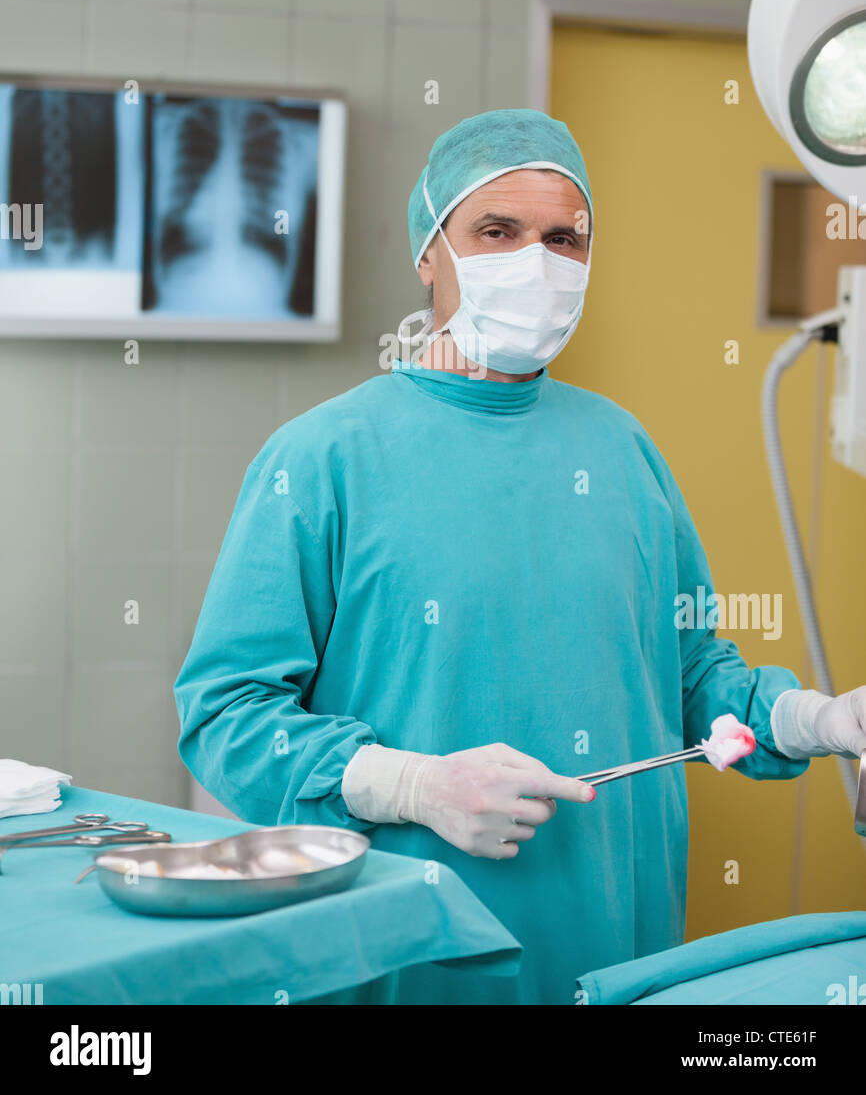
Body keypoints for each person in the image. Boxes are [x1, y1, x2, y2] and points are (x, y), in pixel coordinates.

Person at [175, 108, 866, 1006]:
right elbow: (225, 712)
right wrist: (412, 785)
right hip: (413, 948)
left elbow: (694, 674)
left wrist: (816, 721)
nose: (536, 260)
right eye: (497, 231)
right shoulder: (324, 458)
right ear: (430, 251)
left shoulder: (621, 449)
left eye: (564, 238)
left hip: (622, 942)